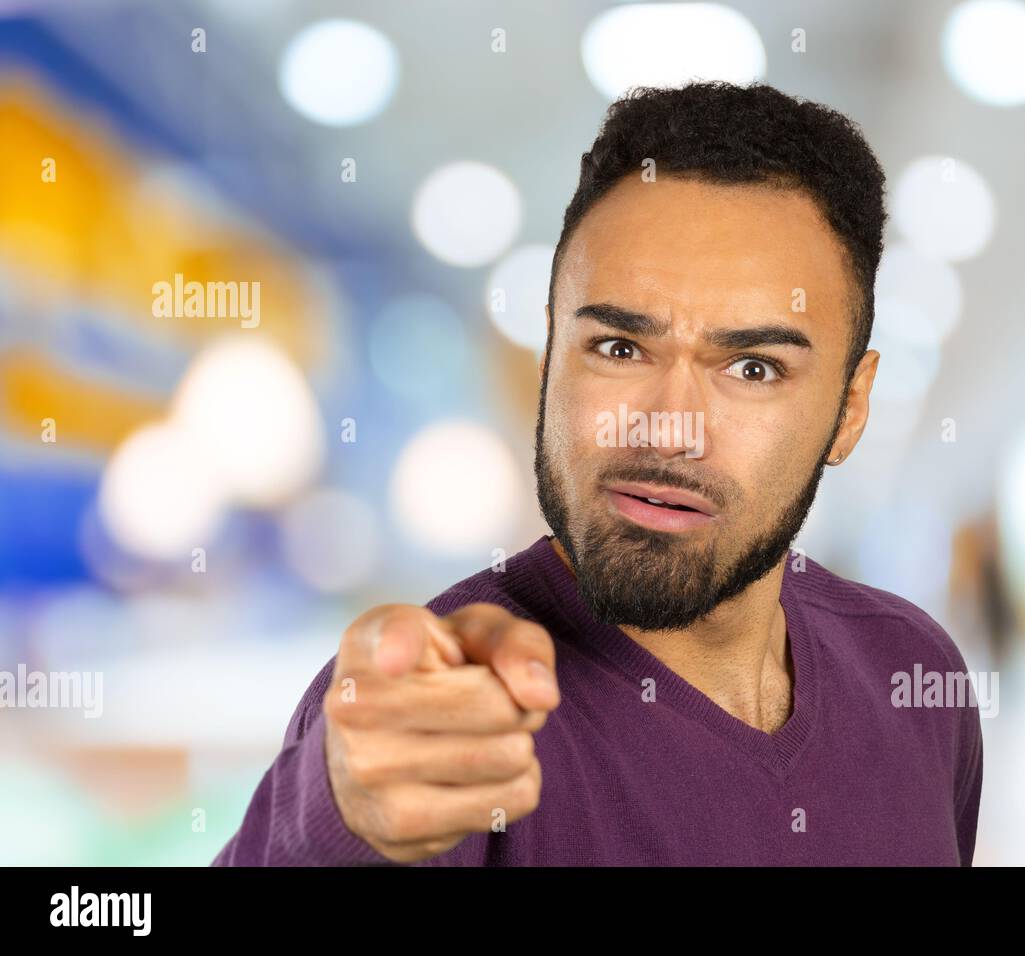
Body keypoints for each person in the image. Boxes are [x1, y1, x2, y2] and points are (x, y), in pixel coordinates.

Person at [213, 80, 983, 866]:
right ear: (551, 362)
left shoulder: (915, 676)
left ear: (850, 411)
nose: (667, 427)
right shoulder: (443, 721)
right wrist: (332, 823)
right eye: (618, 348)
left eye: (753, 367)